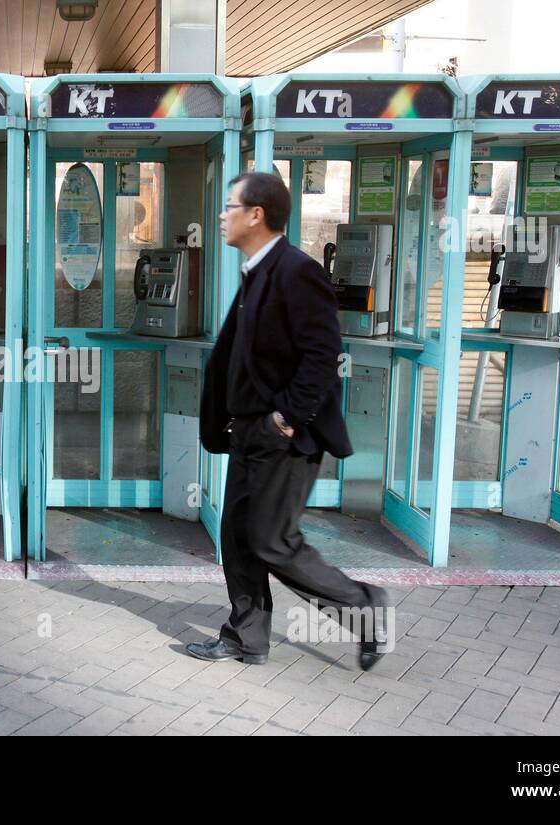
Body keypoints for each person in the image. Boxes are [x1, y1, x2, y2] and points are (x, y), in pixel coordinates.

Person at [188, 171, 388, 670]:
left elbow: (323, 355)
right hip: (247, 432)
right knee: (237, 537)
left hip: (285, 437)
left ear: (256, 214)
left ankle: (363, 608)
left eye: (229, 205)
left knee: (272, 541)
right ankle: (245, 637)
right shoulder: (258, 271)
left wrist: (284, 417)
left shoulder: (297, 271)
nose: (221, 214)